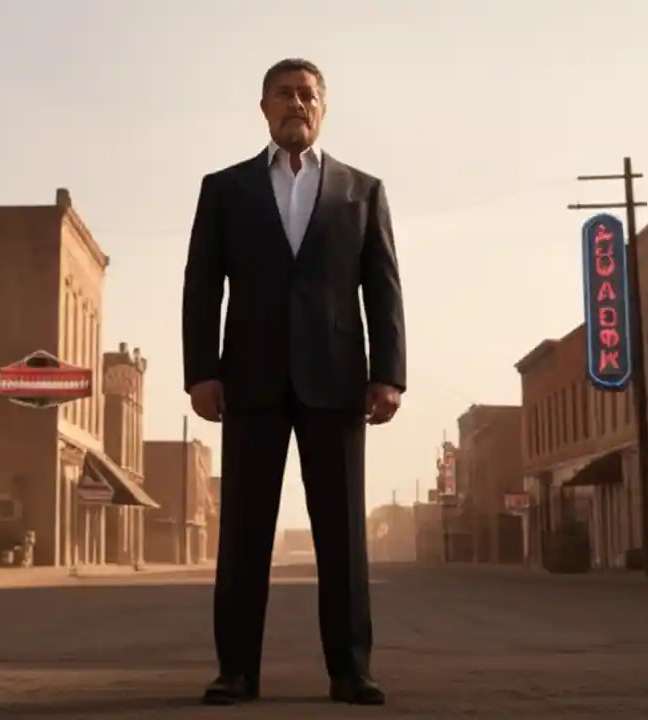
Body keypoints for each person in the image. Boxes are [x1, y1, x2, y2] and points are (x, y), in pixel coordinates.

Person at [181, 57, 406, 707]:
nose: (295, 104)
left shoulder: (362, 191)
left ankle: (350, 670)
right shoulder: (224, 189)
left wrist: (388, 375)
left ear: (324, 107)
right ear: (263, 108)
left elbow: (384, 289)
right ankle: (237, 672)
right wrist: (201, 373)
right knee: (244, 535)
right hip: (249, 381)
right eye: (283, 94)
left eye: (308, 94)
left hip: (337, 383)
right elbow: (202, 286)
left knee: (342, 536)